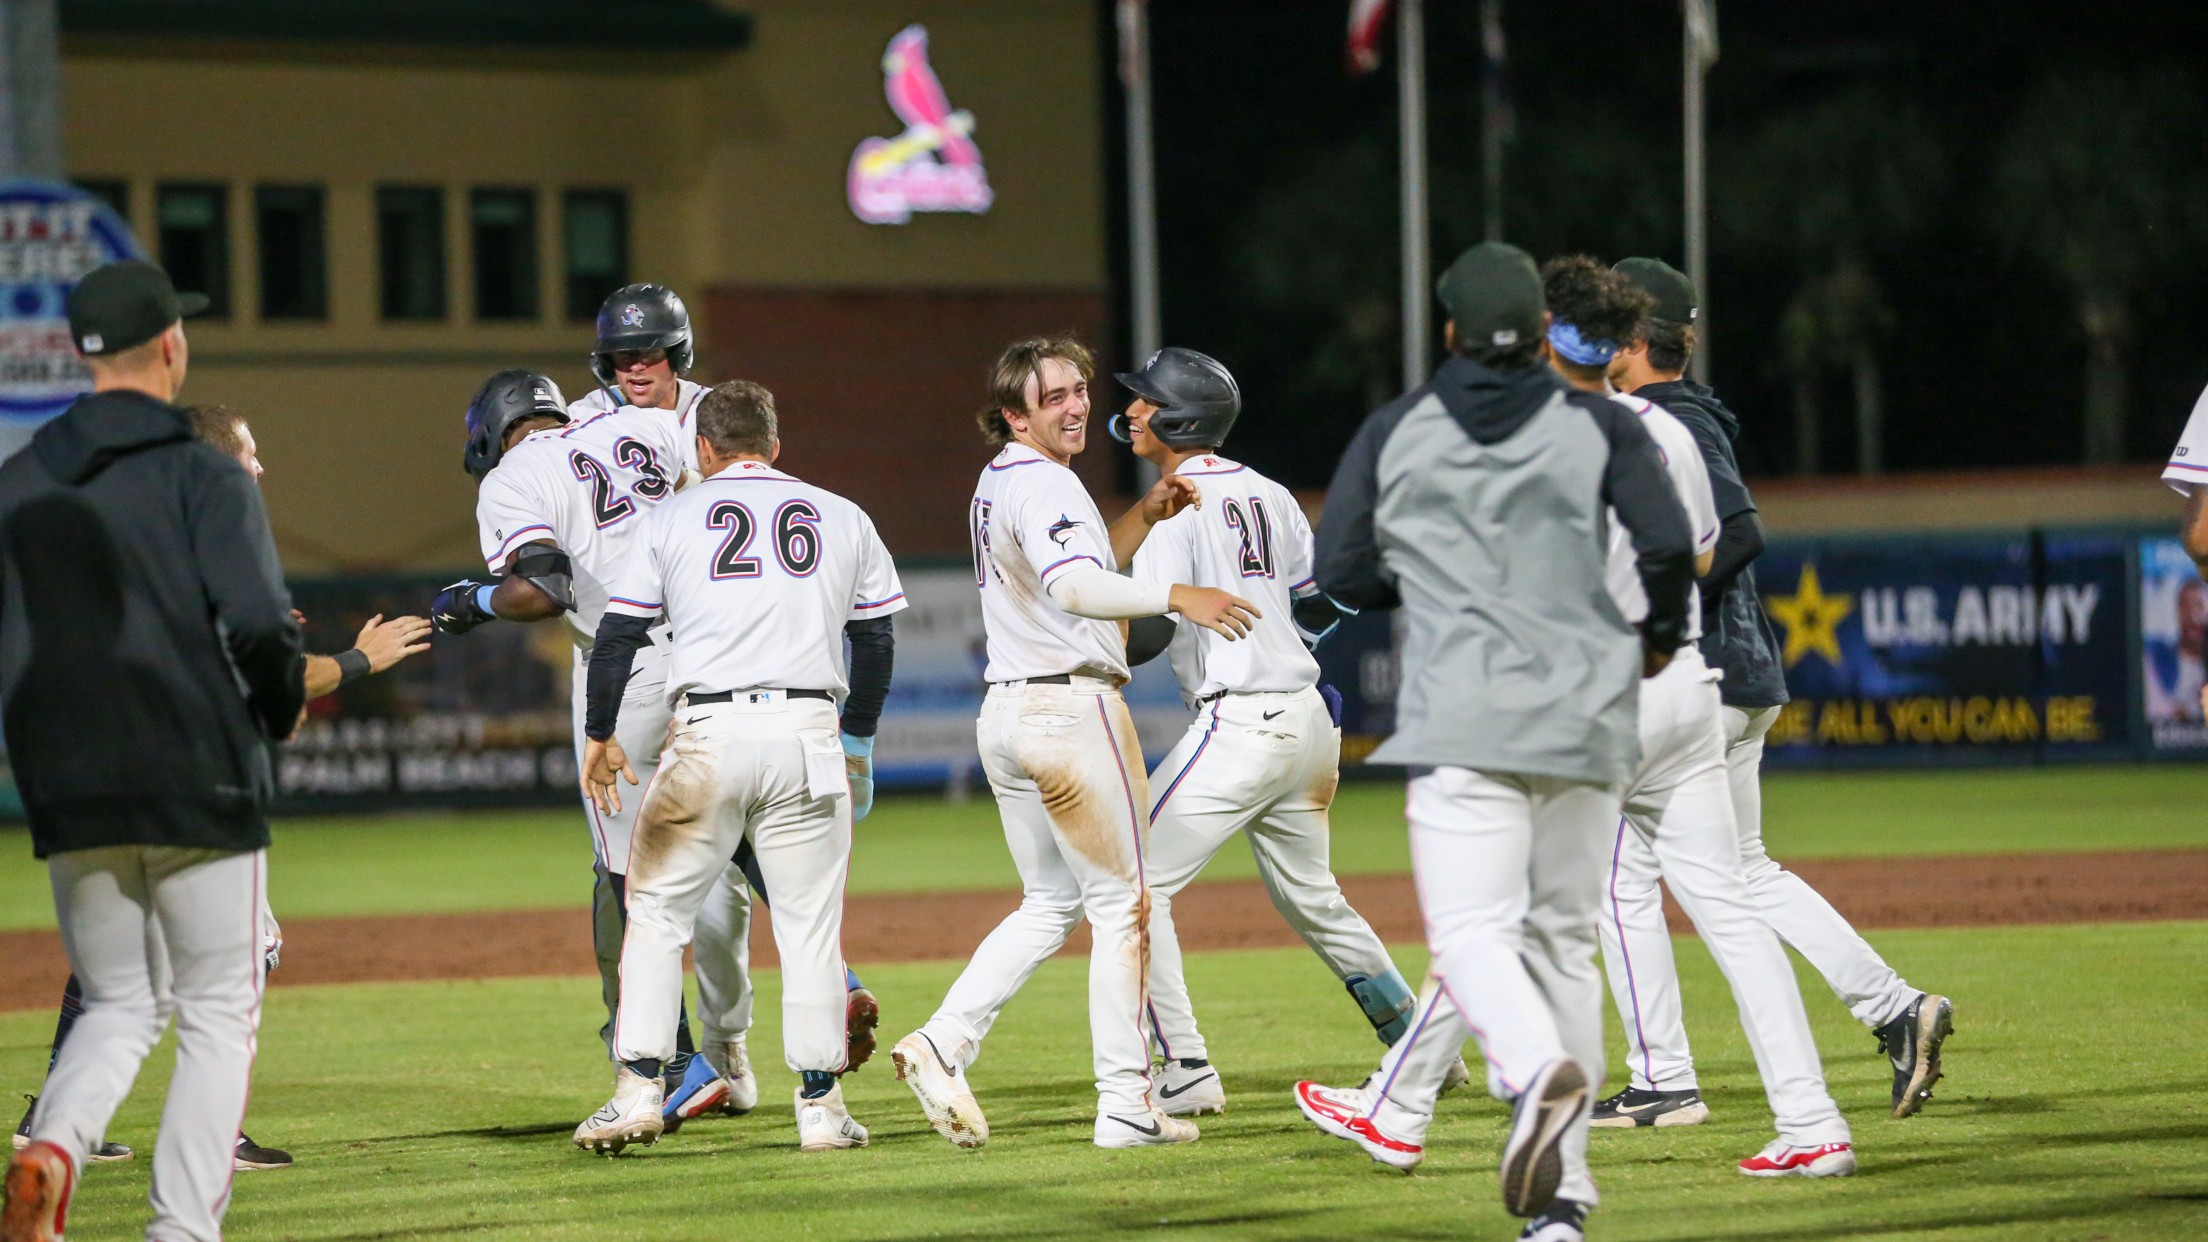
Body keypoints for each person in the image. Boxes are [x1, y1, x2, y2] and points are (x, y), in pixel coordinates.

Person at [1295, 242, 1696, 1240]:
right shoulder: (1601, 422)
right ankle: (1562, 1208)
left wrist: (1428, 575)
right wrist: (1656, 637)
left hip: (1467, 716)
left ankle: (1533, 1068)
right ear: (1543, 332)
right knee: (1562, 945)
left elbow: (1338, 569)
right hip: (1588, 714)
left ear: (1450, 330)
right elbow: (1664, 544)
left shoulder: (1399, 428)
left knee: (1473, 934)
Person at [10, 405, 431, 1176]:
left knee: (119, 962)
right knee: (244, 952)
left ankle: (55, 1123)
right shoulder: (212, 543)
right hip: (179, 784)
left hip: (88, 783)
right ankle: (212, 1137)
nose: (260, 467)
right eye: (249, 453)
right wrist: (360, 659)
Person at [889, 336, 1258, 1151]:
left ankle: (943, 1042)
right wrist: (1177, 594)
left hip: (1009, 714)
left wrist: (1142, 517)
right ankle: (1126, 1102)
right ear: (1014, 415)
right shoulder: (1046, 481)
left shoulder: (1004, 478)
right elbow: (1073, 586)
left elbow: (1077, 567)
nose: (1076, 404)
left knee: (1051, 903)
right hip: (1071, 712)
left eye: (1080, 388)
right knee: (1124, 906)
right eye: (1052, 395)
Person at [1606, 257, 1952, 1121]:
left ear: (1638, 339)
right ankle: (1896, 1009)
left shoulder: (1667, 417)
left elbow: (1742, 530)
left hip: (1702, 675)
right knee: (1743, 872)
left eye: (1611, 324)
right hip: (1737, 675)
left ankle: (1662, 1079)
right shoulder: (1677, 412)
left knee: (1616, 877)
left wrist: (1662, 605)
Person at [0, 260, 305, 1241]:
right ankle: (180, 1229)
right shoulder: (204, 471)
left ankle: (55, 1146)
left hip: (68, 783)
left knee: (120, 1004)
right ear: (172, 344)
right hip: (195, 770)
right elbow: (258, 623)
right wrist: (277, 708)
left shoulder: (19, 479)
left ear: (79, 352)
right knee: (216, 1011)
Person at [1543, 257, 1853, 1177]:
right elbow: (1708, 548)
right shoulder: (1668, 429)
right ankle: (1813, 1125)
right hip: (1686, 685)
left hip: (1612, 695)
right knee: (1729, 907)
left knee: (1509, 895)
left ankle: (1396, 1107)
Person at [1108, 346, 1462, 1115]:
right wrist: (1287, 656)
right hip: (1304, 718)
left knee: (1130, 888)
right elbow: (1319, 601)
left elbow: (1151, 628)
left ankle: (1186, 1066)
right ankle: (1417, 1044)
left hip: (1241, 723)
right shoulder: (1269, 492)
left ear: (1181, 419)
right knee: (1314, 899)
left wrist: (1085, 636)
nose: (1132, 410)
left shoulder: (1173, 501)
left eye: (1147, 400)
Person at [564, 283, 885, 1073]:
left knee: (641, 873)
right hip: (718, 673)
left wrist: (598, 726)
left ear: (677, 352)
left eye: (650, 352)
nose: (636, 366)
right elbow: (869, 629)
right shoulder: (668, 419)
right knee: (731, 859)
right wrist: (858, 739)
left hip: (668, 654)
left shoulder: (686, 421)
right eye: (622, 355)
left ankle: (664, 1065)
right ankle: (752, 1049)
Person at [429, 369, 759, 1132]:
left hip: (628, 670)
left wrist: (470, 601)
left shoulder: (514, 475)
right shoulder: (643, 424)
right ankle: (810, 1023)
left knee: (628, 878)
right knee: (745, 850)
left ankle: (665, 1065)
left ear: (491, 431)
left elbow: (541, 588)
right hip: (718, 654)